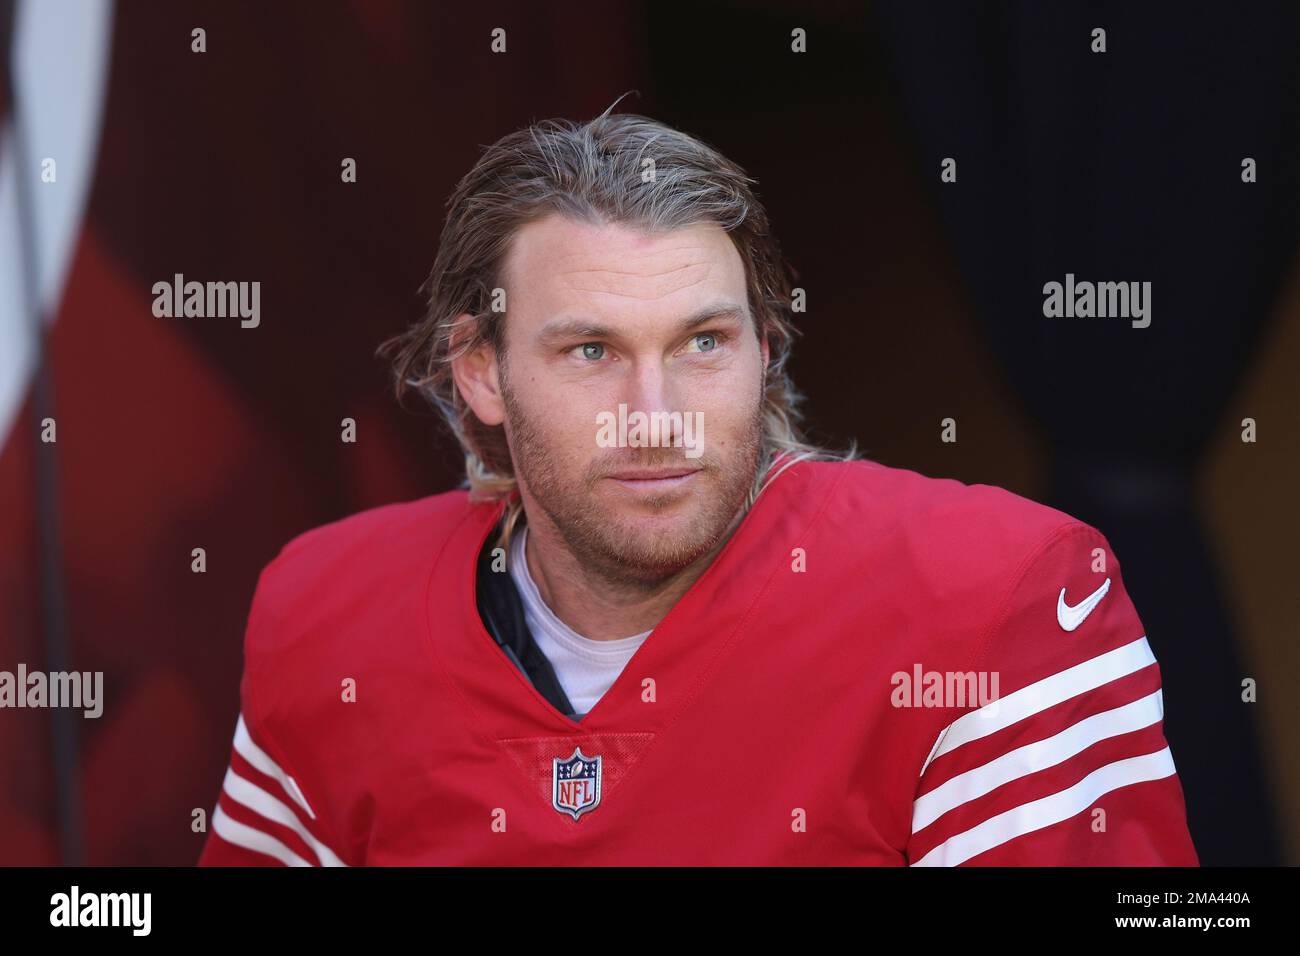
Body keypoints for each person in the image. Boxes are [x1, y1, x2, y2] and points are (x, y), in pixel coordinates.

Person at [198, 100, 1198, 866]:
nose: (656, 407)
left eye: (703, 341)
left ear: (766, 348)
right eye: (591, 349)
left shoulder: (990, 597)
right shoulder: (327, 611)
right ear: (480, 371)